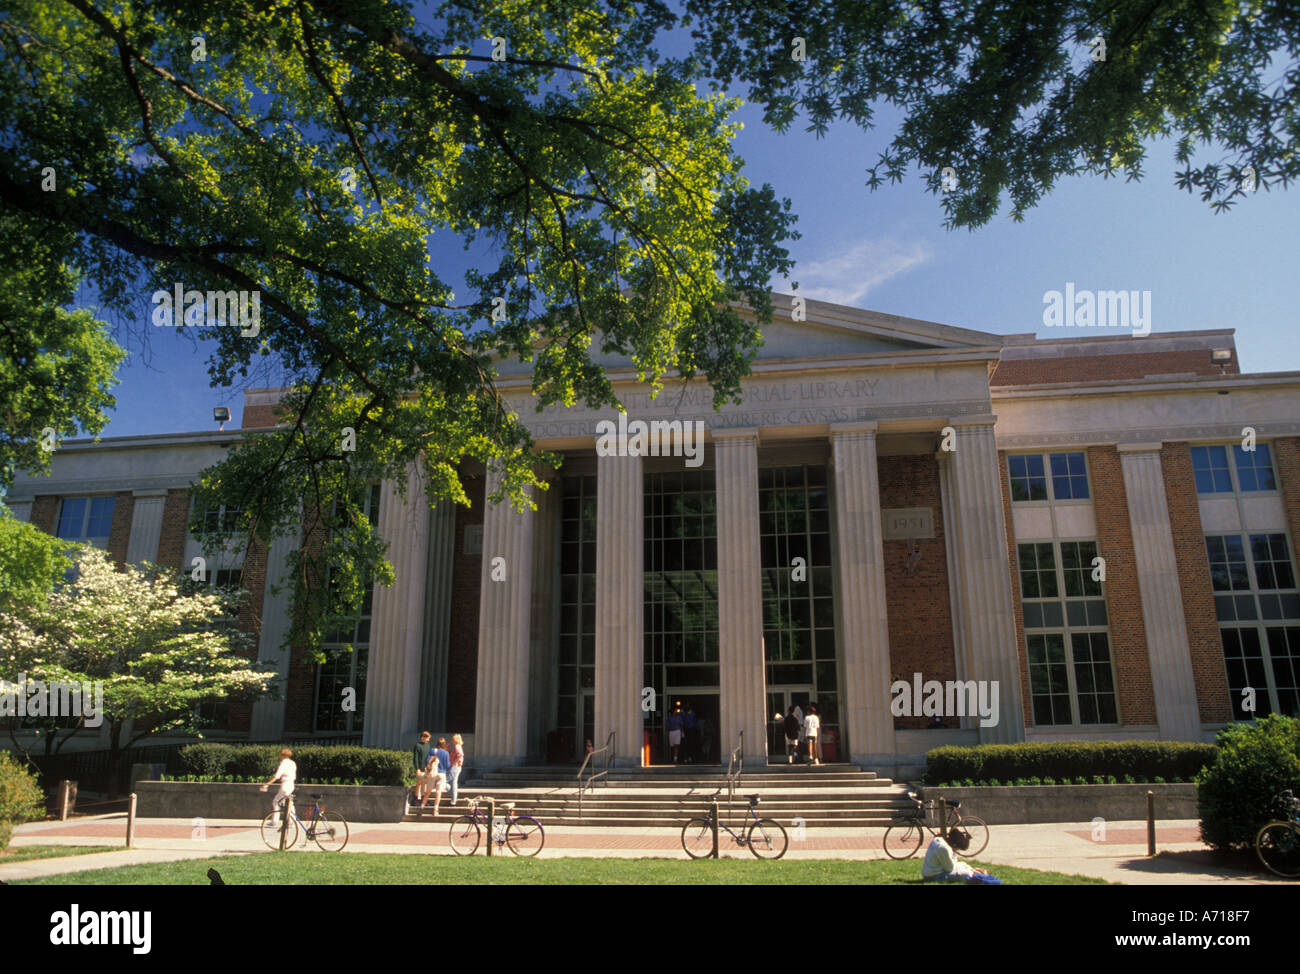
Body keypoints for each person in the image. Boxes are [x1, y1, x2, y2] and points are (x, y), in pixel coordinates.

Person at [921, 829, 995, 883]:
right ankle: (976, 874)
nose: (957, 850)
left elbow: (953, 864)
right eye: (957, 849)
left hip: (932, 871)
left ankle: (974, 871)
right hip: (934, 876)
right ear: (954, 845)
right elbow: (950, 868)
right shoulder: (944, 849)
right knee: (966, 874)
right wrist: (968, 870)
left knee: (963, 864)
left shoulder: (938, 840)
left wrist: (968, 867)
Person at [259, 747, 296, 827]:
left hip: (285, 785)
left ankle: (274, 822)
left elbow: (277, 776)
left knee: (276, 802)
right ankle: (292, 822)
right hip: (291, 785)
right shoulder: (293, 763)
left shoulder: (283, 763)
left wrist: (267, 784)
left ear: (282, 755)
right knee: (289, 803)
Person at [425, 737, 452, 813]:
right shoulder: (446, 753)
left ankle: (422, 806)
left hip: (433, 773)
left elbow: (427, 761)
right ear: (444, 744)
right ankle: (435, 809)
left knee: (428, 790)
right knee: (438, 792)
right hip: (442, 773)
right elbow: (447, 765)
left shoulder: (432, 750)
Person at [412, 731, 434, 804]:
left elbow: (429, 756)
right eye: (427, 738)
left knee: (424, 783)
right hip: (420, 768)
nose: (428, 740)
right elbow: (416, 758)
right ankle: (415, 798)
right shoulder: (417, 745)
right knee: (419, 783)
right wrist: (417, 768)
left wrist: (428, 767)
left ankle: (422, 797)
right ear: (423, 737)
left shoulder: (428, 745)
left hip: (426, 768)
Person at [448, 733, 465, 804]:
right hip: (458, 766)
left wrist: (455, 762)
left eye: (453, 739)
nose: (452, 740)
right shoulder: (459, 746)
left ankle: (453, 798)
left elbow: (460, 754)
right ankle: (454, 799)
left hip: (455, 766)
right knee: (454, 782)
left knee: (447, 780)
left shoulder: (457, 746)